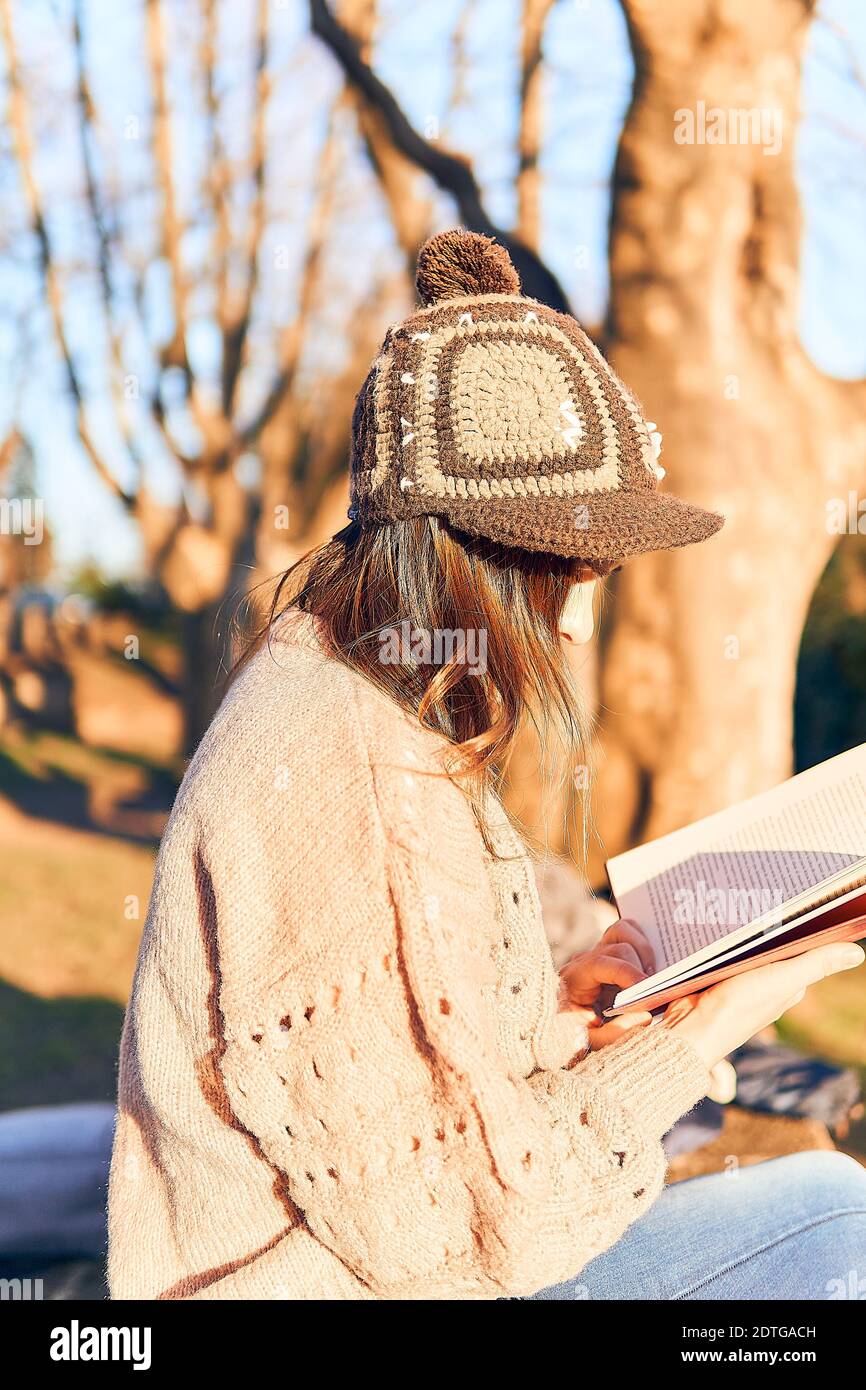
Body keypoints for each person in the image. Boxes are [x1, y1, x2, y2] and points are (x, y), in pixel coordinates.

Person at [107, 229, 866, 1301]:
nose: (579, 620)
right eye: (573, 568)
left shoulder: (348, 701)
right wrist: (708, 1031)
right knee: (835, 1217)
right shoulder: (350, 764)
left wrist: (562, 1020)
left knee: (818, 1200)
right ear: (470, 557)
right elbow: (473, 1235)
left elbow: (399, 1106)